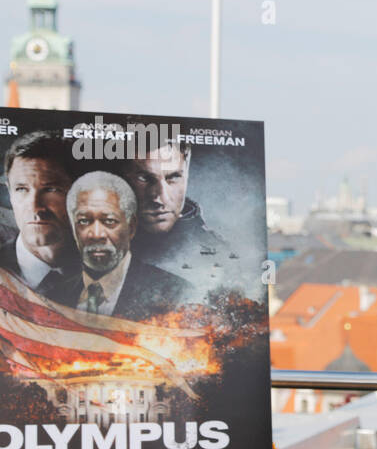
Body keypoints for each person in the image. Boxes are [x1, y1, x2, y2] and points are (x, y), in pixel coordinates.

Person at [43, 171, 194, 322]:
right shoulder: (54, 297)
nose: (96, 234)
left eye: (109, 221)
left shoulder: (175, 295)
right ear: (73, 227)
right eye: (84, 221)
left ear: (131, 227)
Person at [120, 138, 235, 293]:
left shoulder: (219, 252)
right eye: (145, 178)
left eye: (173, 177)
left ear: (187, 175)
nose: (161, 198)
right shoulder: (98, 244)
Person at [0, 131, 79, 290]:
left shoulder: (114, 273)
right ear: (10, 194)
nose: (35, 207)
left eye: (51, 189)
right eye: (21, 189)